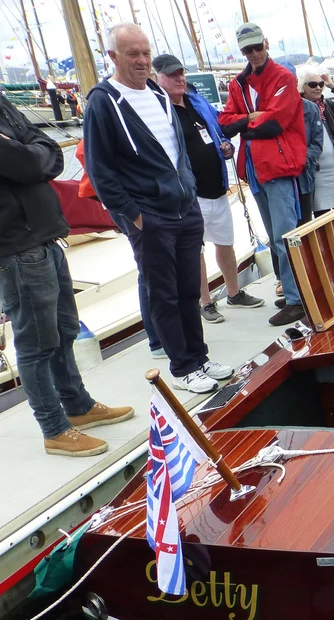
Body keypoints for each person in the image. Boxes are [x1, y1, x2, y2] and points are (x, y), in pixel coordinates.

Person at [83, 22, 233, 394]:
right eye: (132, 54)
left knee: (189, 289)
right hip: (149, 217)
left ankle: (198, 357)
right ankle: (182, 367)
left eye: (145, 53)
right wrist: (133, 215)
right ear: (113, 57)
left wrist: (191, 194)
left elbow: (178, 153)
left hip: (185, 210)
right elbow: (100, 171)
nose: (142, 61)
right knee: (162, 293)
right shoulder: (103, 102)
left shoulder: (158, 94)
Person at [0, 92, 134, 457]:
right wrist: (28, 153)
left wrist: (28, 151)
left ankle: (77, 407)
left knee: (64, 329)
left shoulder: (4, 106)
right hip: (16, 246)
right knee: (36, 343)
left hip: (44, 235)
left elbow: (49, 152)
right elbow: (30, 163)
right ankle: (54, 428)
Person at [151, 53, 264, 324]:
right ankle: (205, 301)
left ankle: (234, 293)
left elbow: (218, 128)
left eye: (181, 73)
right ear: (158, 78)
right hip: (190, 193)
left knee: (226, 243)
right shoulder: (159, 109)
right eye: (171, 75)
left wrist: (226, 144)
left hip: (217, 187)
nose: (179, 78)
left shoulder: (195, 101)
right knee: (195, 250)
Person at [218, 23, 309, 327]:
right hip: (255, 168)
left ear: (266, 44)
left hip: (279, 167)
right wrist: (252, 117)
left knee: (285, 236)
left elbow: (276, 123)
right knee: (275, 237)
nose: (254, 53)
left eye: (258, 47)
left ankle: (297, 300)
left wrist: (244, 122)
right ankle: (291, 291)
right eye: (248, 49)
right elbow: (224, 123)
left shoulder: (284, 77)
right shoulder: (237, 84)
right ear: (242, 51)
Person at [295, 64, 334, 217]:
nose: (318, 88)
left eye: (320, 84)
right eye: (313, 84)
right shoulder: (297, 110)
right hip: (315, 175)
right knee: (322, 219)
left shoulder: (327, 106)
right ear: (302, 87)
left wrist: (332, 85)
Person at [297, 96, 324, 224]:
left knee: (305, 223)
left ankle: (302, 244)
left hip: (304, 175)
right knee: (286, 227)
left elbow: (317, 143)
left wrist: (303, 159)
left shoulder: (310, 108)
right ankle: (289, 244)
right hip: (280, 179)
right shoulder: (266, 106)